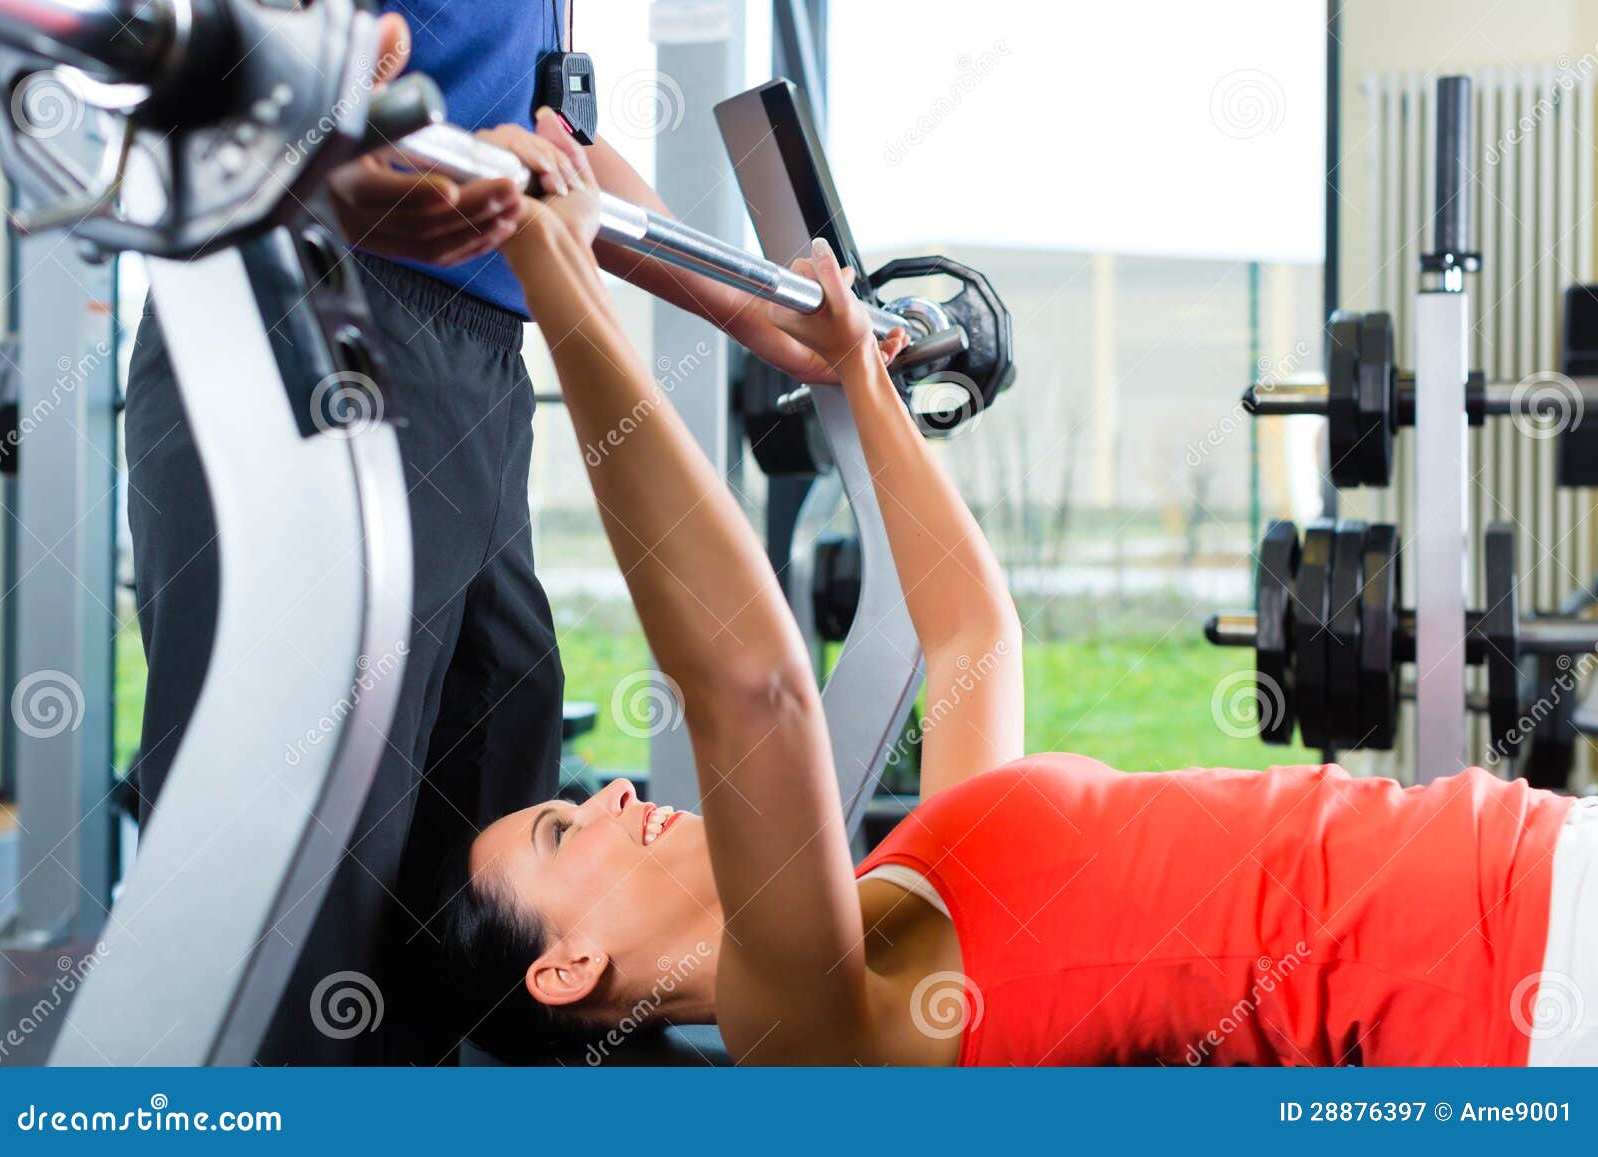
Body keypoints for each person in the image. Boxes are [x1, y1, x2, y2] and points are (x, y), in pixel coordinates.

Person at [436, 115, 1598, 1068]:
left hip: (1512, 851)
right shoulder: (805, 1039)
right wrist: (552, 270)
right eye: (556, 827)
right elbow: (749, 686)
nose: (608, 791)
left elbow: (969, 633)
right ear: (565, 967)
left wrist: (857, 370)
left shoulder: (899, 882)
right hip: (1513, 986)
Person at [123, 4, 834, 1064]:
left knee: (490, 817)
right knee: (301, 862)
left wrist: (757, 312)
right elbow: (237, 61)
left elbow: (559, 152)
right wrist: (320, 165)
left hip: (480, 354)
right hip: (311, 311)